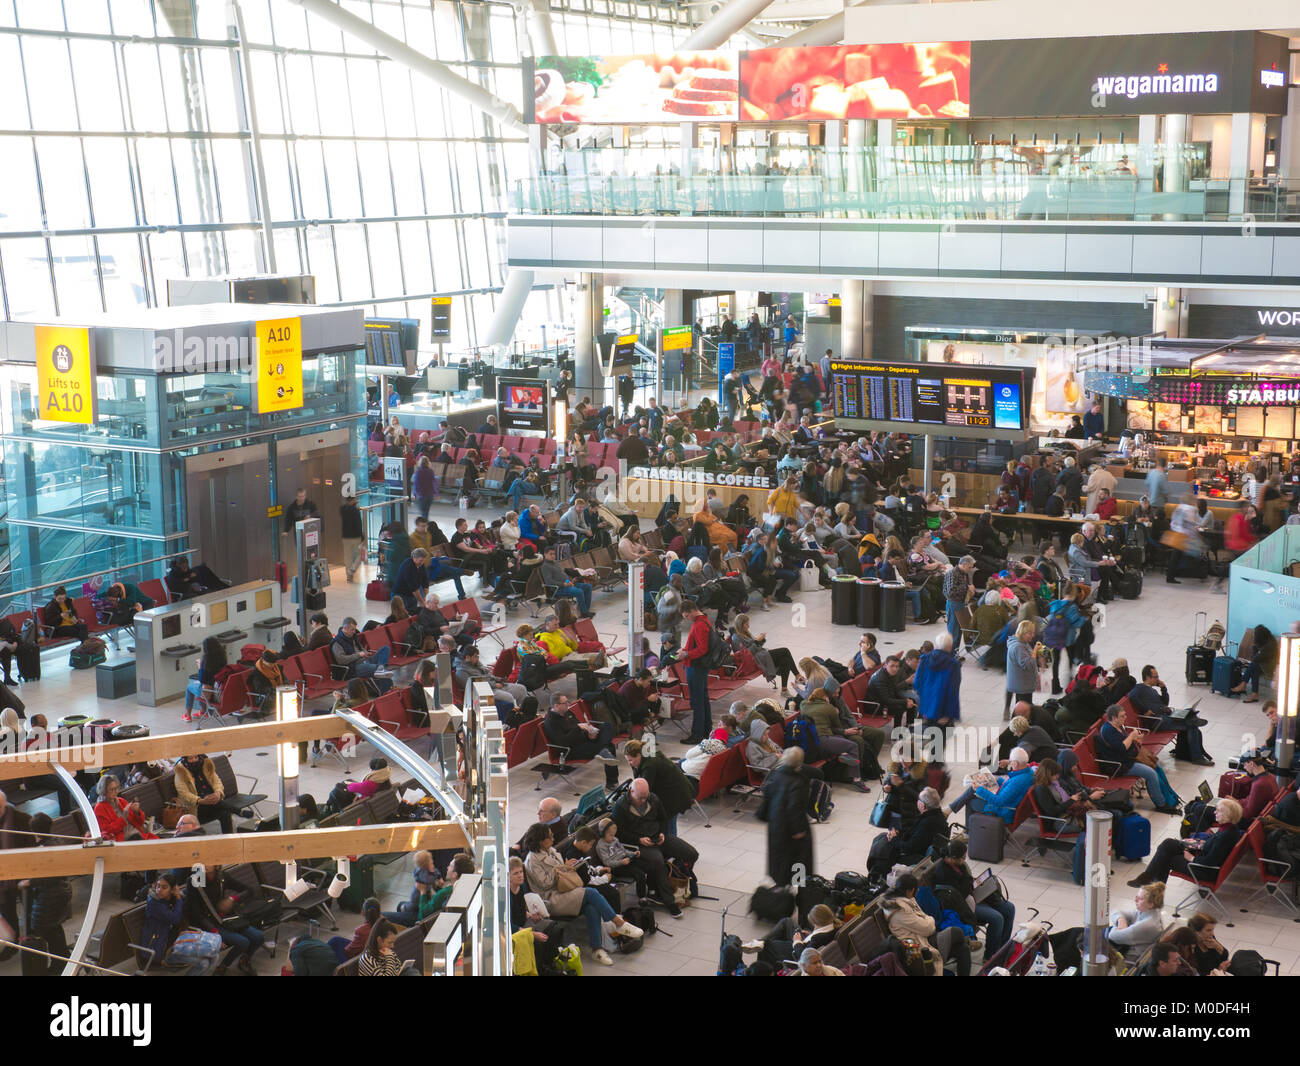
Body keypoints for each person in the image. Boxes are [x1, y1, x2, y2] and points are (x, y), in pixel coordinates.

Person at [522, 822, 642, 967]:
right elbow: (545, 884)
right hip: (550, 898)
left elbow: (559, 872)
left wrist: (566, 867)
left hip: (562, 891)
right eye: (550, 836)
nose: (553, 839)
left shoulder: (550, 850)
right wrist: (562, 868)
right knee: (591, 892)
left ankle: (597, 949)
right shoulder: (532, 860)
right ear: (541, 840)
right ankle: (619, 923)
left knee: (591, 906)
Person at [611, 778, 698, 918]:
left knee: (691, 853)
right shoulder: (621, 806)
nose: (644, 801)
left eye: (646, 797)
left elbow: (663, 819)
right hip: (638, 844)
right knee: (658, 862)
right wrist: (638, 839)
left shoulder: (653, 799)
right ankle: (669, 901)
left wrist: (663, 833)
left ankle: (674, 877)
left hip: (658, 837)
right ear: (631, 791)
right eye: (640, 798)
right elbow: (618, 833)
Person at [1128, 798, 1243, 887]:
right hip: (1202, 852)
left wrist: (1191, 858)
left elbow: (1210, 861)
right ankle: (1150, 881)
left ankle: (1153, 888)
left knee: (1167, 858)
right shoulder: (1229, 829)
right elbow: (1214, 847)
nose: (1215, 813)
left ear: (1228, 815)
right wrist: (1197, 843)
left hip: (1203, 870)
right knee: (1168, 844)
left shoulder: (1226, 835)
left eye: (1219, 811)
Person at [930, 838, 1017, 954]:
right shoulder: (942, 872)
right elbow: (959, 894)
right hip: (964, 905)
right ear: (953, 858)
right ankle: (992, 954)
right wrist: (970, 882)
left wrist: (977, 883)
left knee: (1009, 908)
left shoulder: (957, 864)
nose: (964, 860)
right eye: (963, 858)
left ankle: (1003, 947)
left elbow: (967, 883)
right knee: (997, 918)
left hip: (973, 896)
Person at [1095, 703, 1181, 814]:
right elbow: (1121, 747)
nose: (1125, 718)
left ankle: (1168, 796)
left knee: (1155, 765)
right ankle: (1161, 804)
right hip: (1118, 765)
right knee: (1151, 773)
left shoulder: (1118, 725)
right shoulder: (1108, 731)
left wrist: (1135, 738)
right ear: (1113, 718)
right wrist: (1132, 736)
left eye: (1125, 715)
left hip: (1128, 759)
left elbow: (1125, 743)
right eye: (1122, 716)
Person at [880, 872, 967, 976]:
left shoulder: (906, 900)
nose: (918, 891)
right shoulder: (900, 910)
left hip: (923, 937)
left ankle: (968, 943)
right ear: (909, 891)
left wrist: (927, 920)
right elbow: (928, 928)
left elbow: (924, 920)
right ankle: (969, 941)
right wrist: (930, 919)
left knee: (963, 948)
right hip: (919, 946)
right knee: (956, 932)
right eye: (916, 889)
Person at [1127, 664, 1214, 765]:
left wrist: (1163, 688)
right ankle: (1196, 757)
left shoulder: (1153, 690)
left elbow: (1164, 703)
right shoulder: (1140, 688)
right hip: (1158, 721)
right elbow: (1131, 696)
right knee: (1191, 724)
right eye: (1155, 677)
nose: (1158, 679)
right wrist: (1145, 710)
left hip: (1165, 715)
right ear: (1147, 677)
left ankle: (1191, 717)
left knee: (1188, 711)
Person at [18, 812, 73, 966]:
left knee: (45, 928)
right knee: (54, 928)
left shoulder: (44, 848)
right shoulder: (55, 842)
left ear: (34, 831)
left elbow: (47, 875)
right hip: (61, 892)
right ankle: (61, 960)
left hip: (50, 896)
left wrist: (29, 882)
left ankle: (59, 963)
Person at [541, 698, 619, 789]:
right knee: (609, 747)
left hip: (584, 741)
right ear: (556, 706)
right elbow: (563, 742)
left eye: (567, 701)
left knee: (607, 725)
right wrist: (578, 728)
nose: (568, 704)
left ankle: (602, 745)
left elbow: (581, 728)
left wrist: (588, 734)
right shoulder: (551, 722)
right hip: (571, 750)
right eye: (565, 703)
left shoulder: (568, 713)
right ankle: (612, 782)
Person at [943, 747, 1034, 822]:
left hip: (1003, 811)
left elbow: (999, 801)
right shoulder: (1028, 773)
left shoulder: (1017, 781)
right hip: (1009, 805)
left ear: (1016, 763)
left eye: (1011, 762)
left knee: (971, 801)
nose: (1009, 764)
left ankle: (967, 832)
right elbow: (1009, 787)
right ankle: (951, 811)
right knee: (972, 790)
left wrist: (979, 789)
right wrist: (997, 780)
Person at [681, 601, 714, 745]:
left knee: (697, 702)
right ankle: (706, 729)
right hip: (699, 666)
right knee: (703, 700)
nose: (687, 618)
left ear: (693, 610)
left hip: (696, 667)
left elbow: (702, 649)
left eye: (687, 615)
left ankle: (697, 734)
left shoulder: (700, 625)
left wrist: (686, 654)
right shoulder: (704, 621)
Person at [173, 753, 232, 834]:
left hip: (211, 802)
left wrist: (218, 793)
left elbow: (217, 781)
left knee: (225, 812)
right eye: (190, 758)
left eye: (196, 757)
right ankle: (237, 810)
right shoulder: (180, 772)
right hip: (196, 807)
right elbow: (183, 793)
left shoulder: (206, 766)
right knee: (222, 805)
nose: (194, 760)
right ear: (185, 759)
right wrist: (200, 800)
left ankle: (228, 838)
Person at [1106, 882, 1166, 960]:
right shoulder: (1149, 911)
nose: (1135, 900)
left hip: (1127, 956)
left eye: (1140, 899)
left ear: (1151, 904)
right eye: (1136, 896)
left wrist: (1120, 924)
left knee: (1091, 939)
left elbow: (1112, 936)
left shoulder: (1148, 925)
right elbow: (1116, 911)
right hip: (1126, 945)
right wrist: (1121, 921)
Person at [914, 632, 962, 728]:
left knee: (927, 734)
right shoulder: (953, 664)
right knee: (940, 738)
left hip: (927, 706)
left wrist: (923, 702)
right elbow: (953, 690)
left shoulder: (925, 659)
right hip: (943, 708)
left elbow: (917, 682)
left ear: (936, 645)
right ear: (950, 646)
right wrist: (949, 713)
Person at [138, 874, 185, 970]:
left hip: (164, 945)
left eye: (164, 887)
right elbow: (175, 919)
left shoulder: (166, 901)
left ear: (172, 890)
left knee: (205, 957)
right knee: (203, 960)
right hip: (154, 953)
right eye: (158, 886)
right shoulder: (154, 904)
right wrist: (178, 899)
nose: (159, 890)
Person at [93, 774, 158, 843]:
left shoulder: (121, 801)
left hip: (137, 834)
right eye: (112, 789)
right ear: (104, 791)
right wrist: (123, 818)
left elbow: (140, 822)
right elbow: (108, 831)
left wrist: (137, 812)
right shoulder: (99, 808)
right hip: (122, 839)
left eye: (116, 788)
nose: (115, 791)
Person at [331, 617, 392, 681]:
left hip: (365, 660)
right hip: (353, 667)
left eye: (354, 629)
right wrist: (358, 655)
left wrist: (365, 652)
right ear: (345, 628)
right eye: (352, 630)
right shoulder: (337, 642)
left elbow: (361, 648)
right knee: (378, 669)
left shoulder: (353, 636)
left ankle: (381, 670)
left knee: (385, 649)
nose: (354, 632)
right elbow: (341, 660)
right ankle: (381, 672)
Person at [183, 635, 226, 723]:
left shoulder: (206, 660)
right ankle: (203, 711)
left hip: (210, 692)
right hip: (219, 688)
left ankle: (187, 715)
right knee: (202, 686)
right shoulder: (223, 656)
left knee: (190, 687)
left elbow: (202, 679)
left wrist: (200, 666)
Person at [942, 555, 976, 651]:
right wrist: (967, 588)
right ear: (964, 564)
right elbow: (950, 592)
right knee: (953, 631)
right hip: (953, 603)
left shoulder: (964, 573)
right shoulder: (952, 574)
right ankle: (950, 654)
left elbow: (966, 585)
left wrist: (970, 589)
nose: (970, 569)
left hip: (961, 603)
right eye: (969, 567)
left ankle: (955, 653)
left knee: (960, 630)